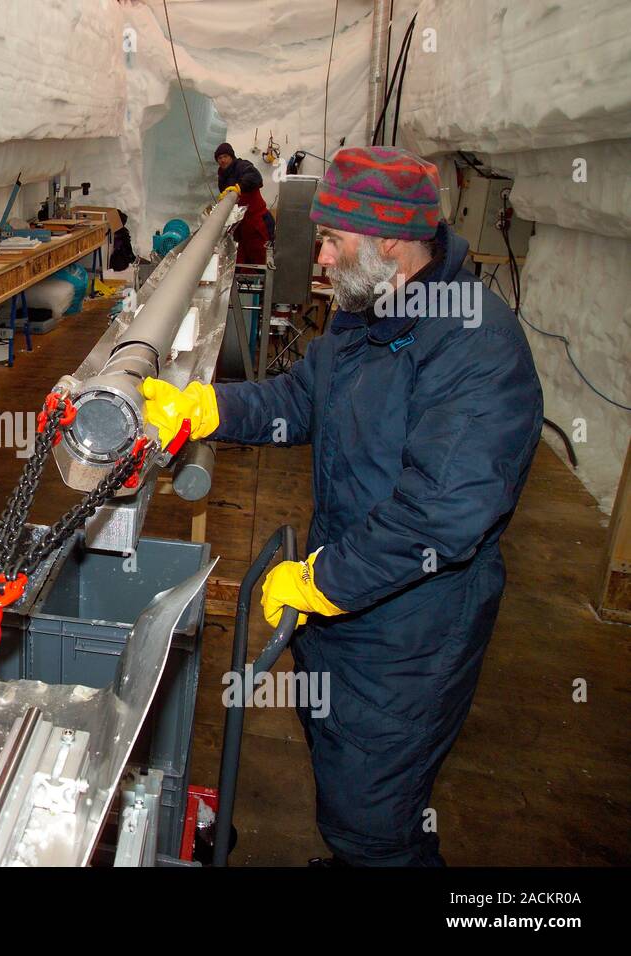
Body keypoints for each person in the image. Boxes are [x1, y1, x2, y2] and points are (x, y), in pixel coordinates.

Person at [142, 146, 543, 865]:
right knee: (342, 771)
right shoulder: (369, 313)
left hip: (411, 629)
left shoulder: (474, 345)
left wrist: (323, 582)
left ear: (389, 241)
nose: (319, 256)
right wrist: (208, 409)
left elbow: (441, 515)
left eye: (333, 240)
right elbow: (301, 399)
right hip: (347, 594)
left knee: (375, 817)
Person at [214, 142, 274, 265]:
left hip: (258, 223)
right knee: (241, 262)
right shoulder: (222, 175)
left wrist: (239, 188)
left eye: (225, 156)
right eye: (219, 158)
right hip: (241, 227)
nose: (222, 160)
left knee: (260, 261)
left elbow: (255, 177)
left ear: (231, 156)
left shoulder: (242, 166)